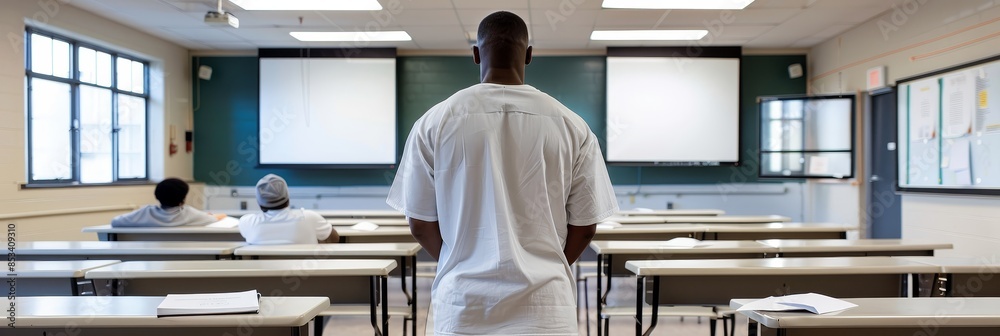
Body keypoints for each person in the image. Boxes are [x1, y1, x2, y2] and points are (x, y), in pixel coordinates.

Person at [386, 11, 618, 336]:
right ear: (529, 55)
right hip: (546, 308)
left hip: (463, 305)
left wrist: (459, 259)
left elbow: (421, 225)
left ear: (476, 54)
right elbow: (585, 228)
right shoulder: (572, 126)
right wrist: (547, 263)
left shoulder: (433, 123)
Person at [238, 174, 339, 245]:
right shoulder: (309, 217)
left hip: (262, 275)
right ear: (287, 197)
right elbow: (335, 239)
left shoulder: (247, 222)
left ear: (259, 202)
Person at [111, 178, 226, 227]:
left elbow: (115, 221)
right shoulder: (189, 214)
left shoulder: (145, 212)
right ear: (183, 198)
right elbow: (214, 219)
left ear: (157, 195)